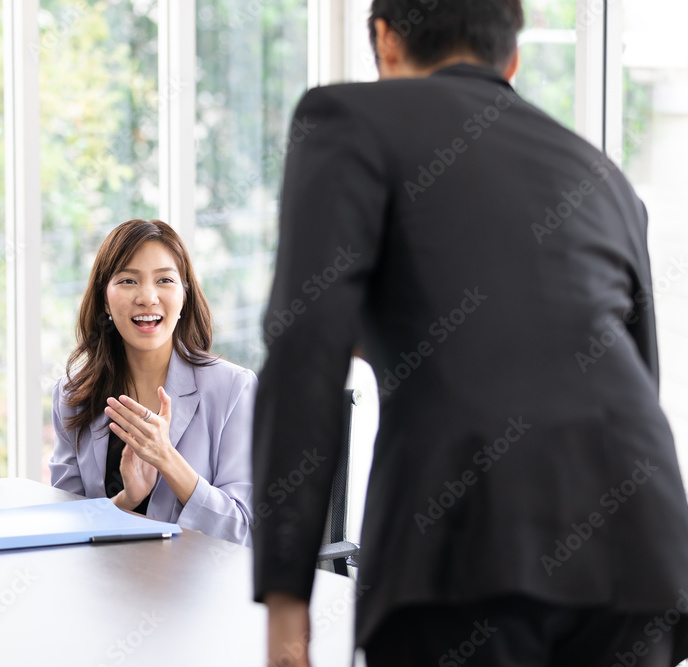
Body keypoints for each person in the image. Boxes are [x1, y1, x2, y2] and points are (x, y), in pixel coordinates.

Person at [252, 1, 688, 666]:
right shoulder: (601, 176)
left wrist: (287, 603)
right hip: (642, 546)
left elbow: (306, 340)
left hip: (464, 543)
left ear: (385, 40)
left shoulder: (348, 118)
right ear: (511, 58)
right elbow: (636, 373)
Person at [50, 219, 255, 545]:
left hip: (198, 587)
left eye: (164, 280)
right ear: (105, 299)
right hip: (102, 585)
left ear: (184, 295)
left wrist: (167, 458)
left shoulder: (234, 389)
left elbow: (243, 531)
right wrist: (128, 500)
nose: (147, 297)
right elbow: (65, 528)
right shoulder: (73, 394)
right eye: (128, 280)